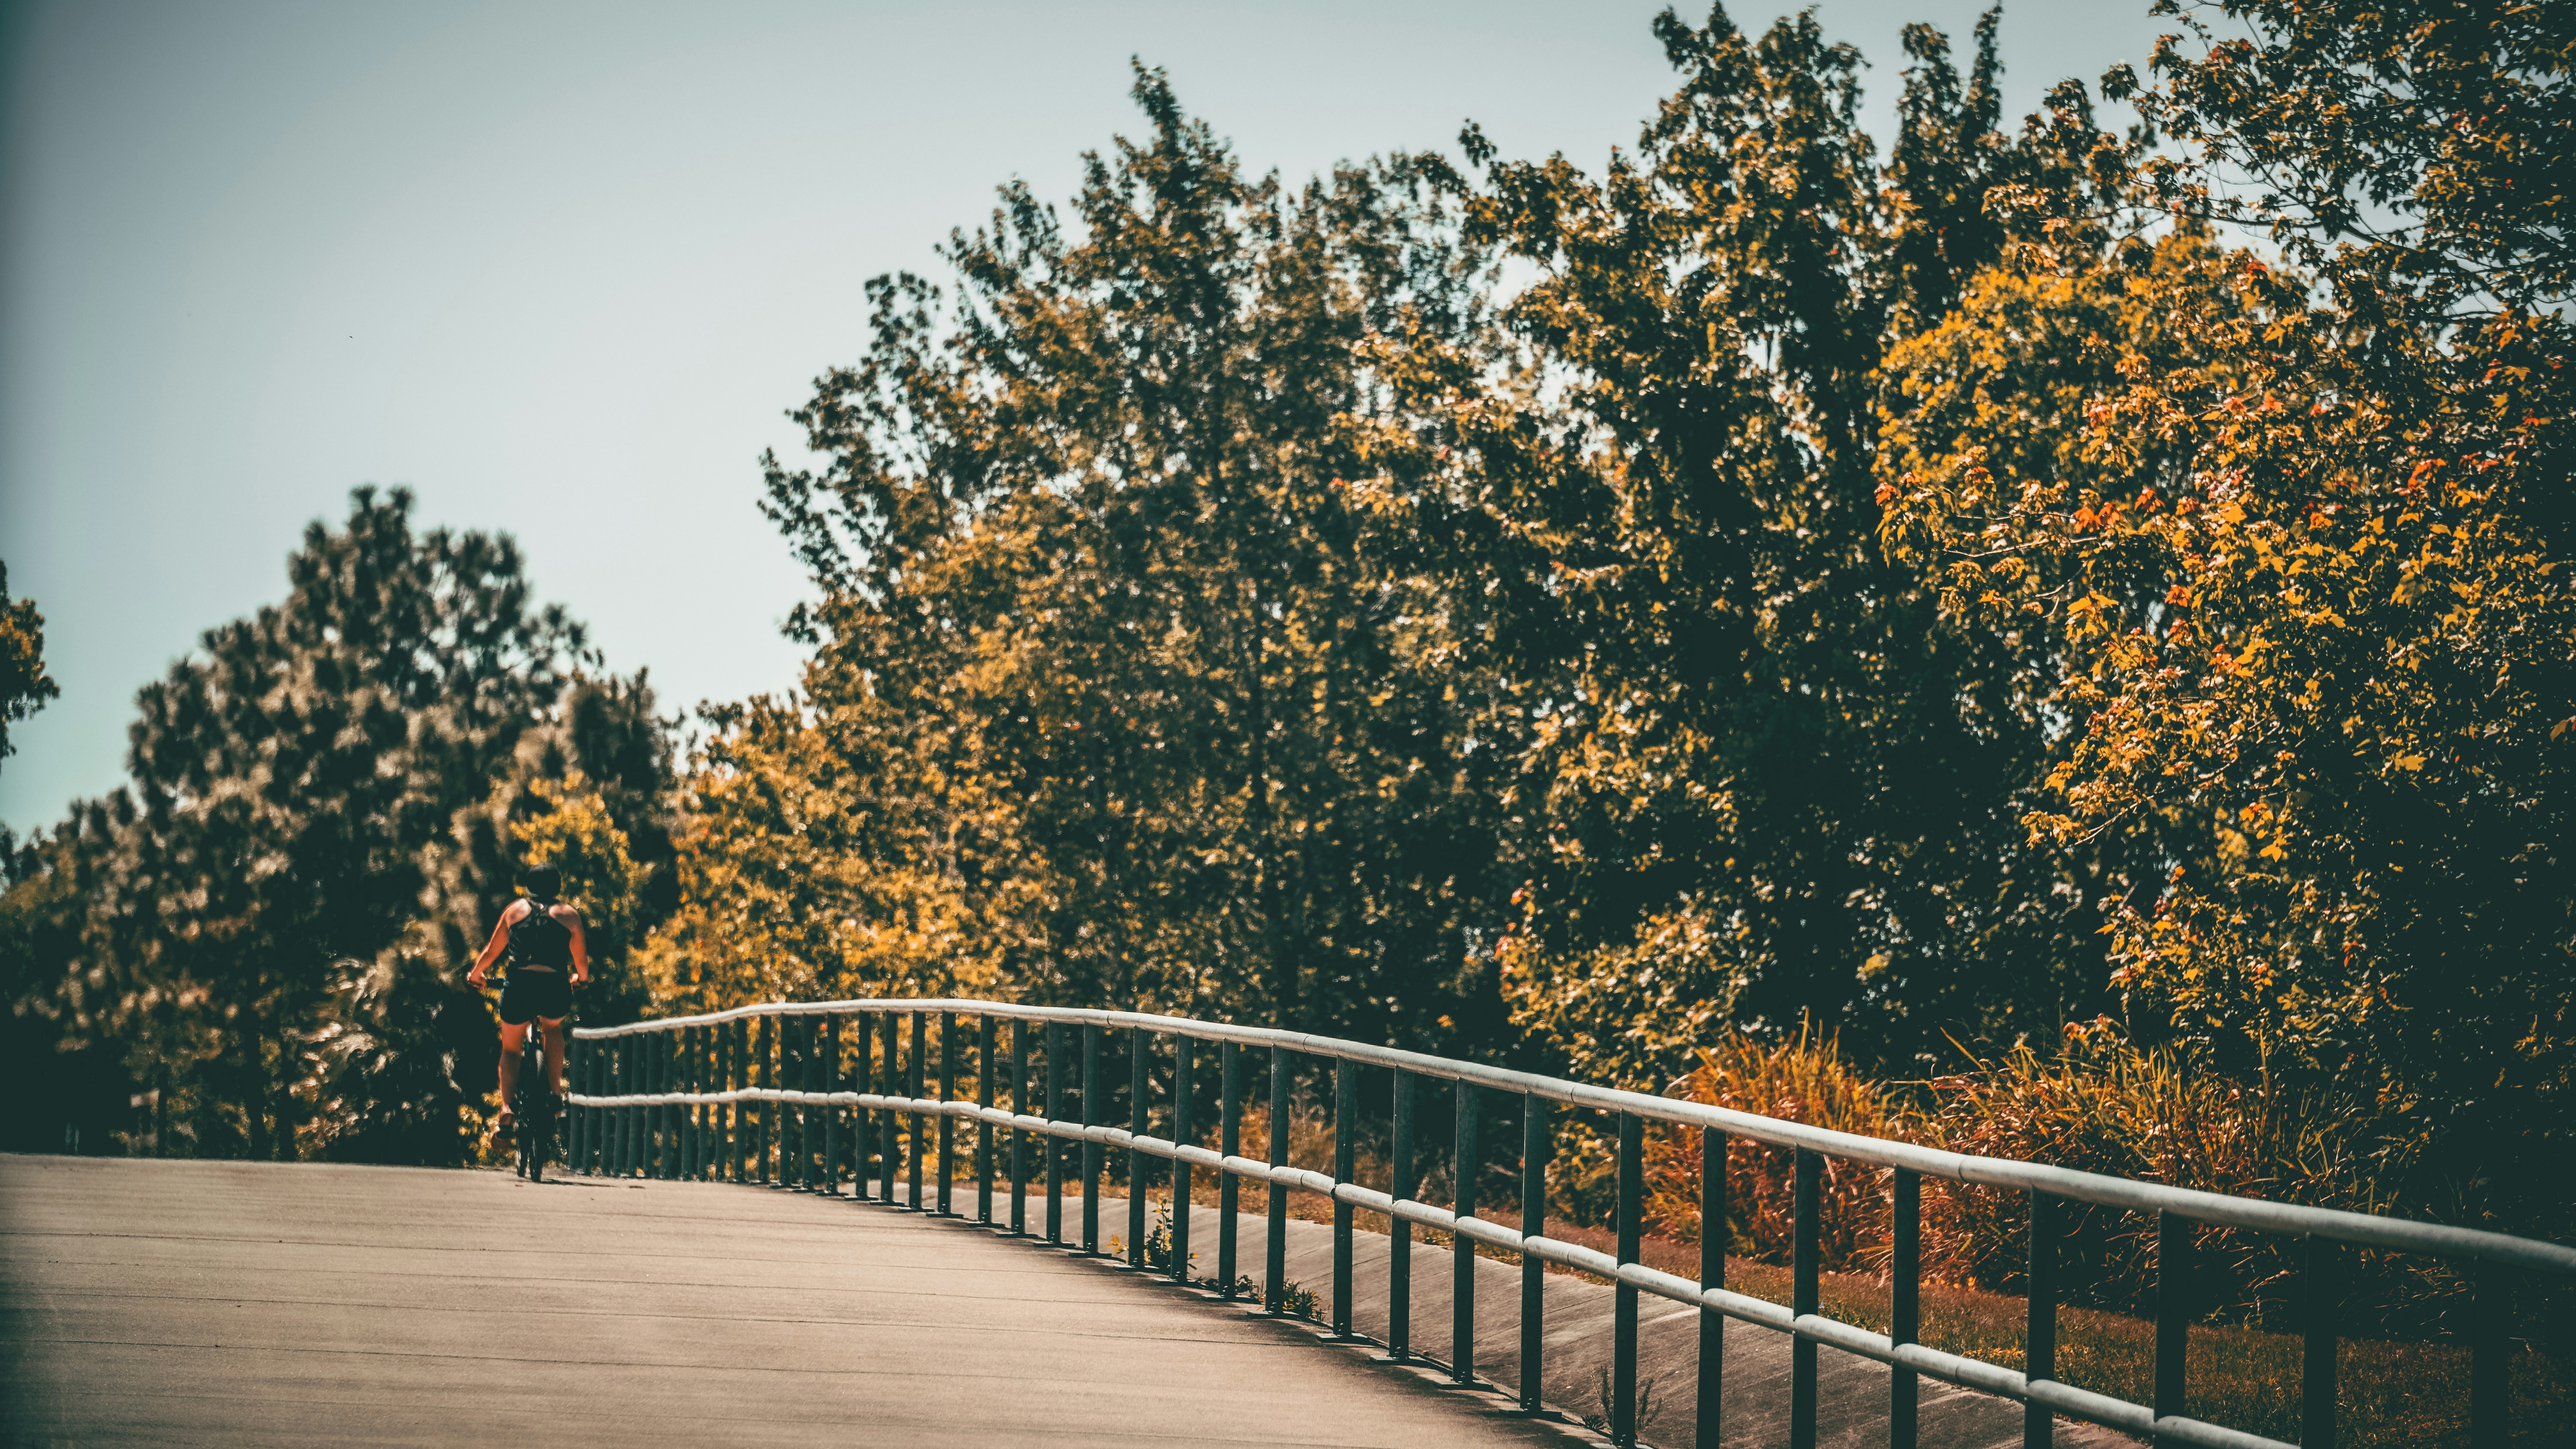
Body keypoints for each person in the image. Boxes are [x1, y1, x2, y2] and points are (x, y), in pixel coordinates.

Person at [466, 864, 589, 1137]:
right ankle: (555, 1094)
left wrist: (477, 975)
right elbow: (582, 962)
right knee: (553, 1028)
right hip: (555, 987)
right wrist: (580, 979)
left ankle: (508, 1108)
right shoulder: (570, 915)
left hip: (519, 987)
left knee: (511, 1049)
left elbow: (491, 952)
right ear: (557, 887)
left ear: (529, 886)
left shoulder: (515, 910)